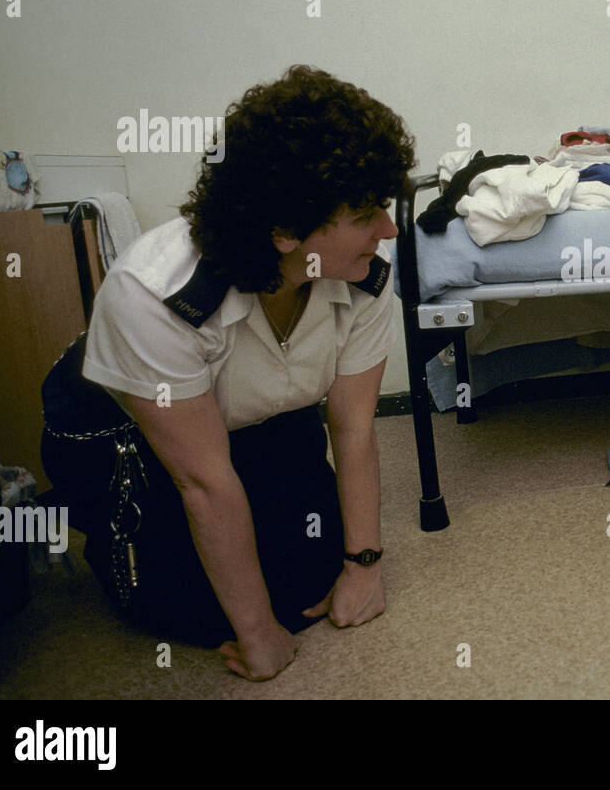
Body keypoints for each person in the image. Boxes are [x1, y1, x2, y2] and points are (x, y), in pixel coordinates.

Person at [79, 65, 413, 680]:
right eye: (367, 211)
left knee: (311, 575)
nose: (388, 229)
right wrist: (259, 637)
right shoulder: (154, 297)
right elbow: (205, 484)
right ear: (284, 230)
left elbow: (355, 427)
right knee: (199, 613)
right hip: (139, 440)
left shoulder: (367, 269)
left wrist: (365, 565)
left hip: (265, 418)